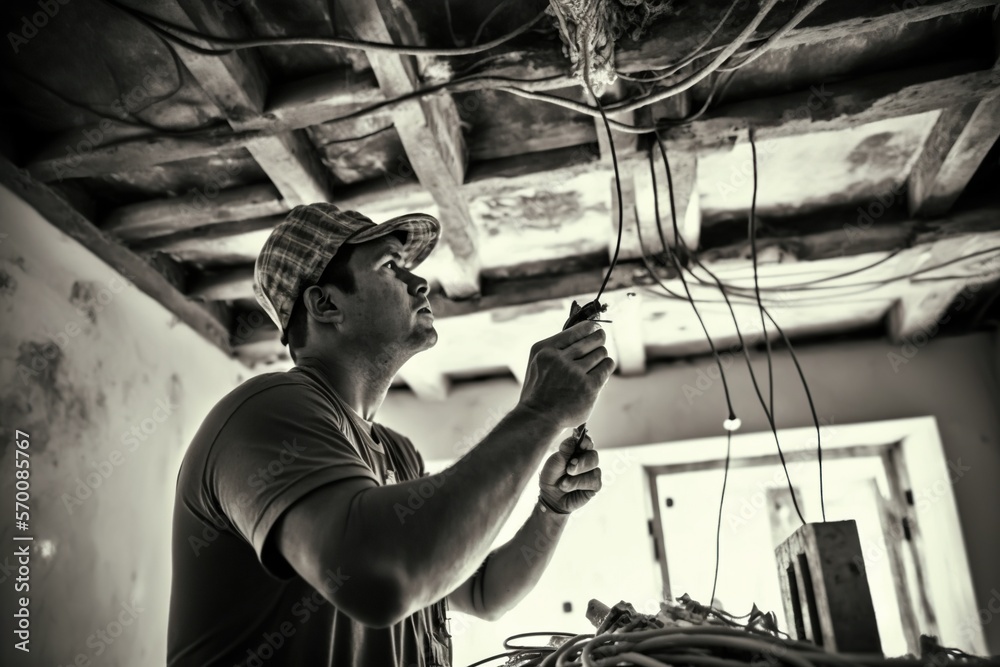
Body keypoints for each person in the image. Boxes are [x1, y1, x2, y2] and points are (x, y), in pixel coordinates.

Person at [166, 203, 615, 666]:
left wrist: (551, 509)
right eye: (389, 266)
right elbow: (382, 580)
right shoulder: (267, 412)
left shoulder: (398, 455)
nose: (419, 282)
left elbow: (484, 593)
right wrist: (538, 413)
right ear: (325, 304)